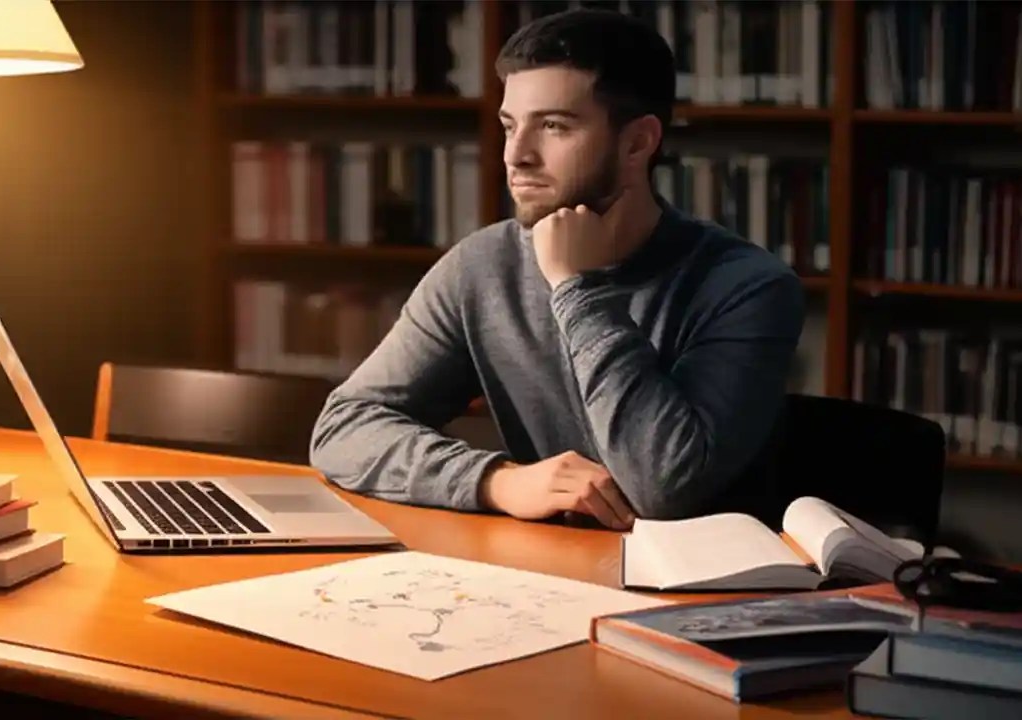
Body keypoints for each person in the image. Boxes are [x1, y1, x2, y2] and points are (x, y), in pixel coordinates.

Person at [308, 9, 805, 530]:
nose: (516, 155)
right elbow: (344, 428)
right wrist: (497, 481)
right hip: (549, 572)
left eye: (553, 126)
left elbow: (663, 488)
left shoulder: (748, 286)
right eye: (509, 126)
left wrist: (577, 287)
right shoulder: (482, 267)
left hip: (709, 597)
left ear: (637, 143)